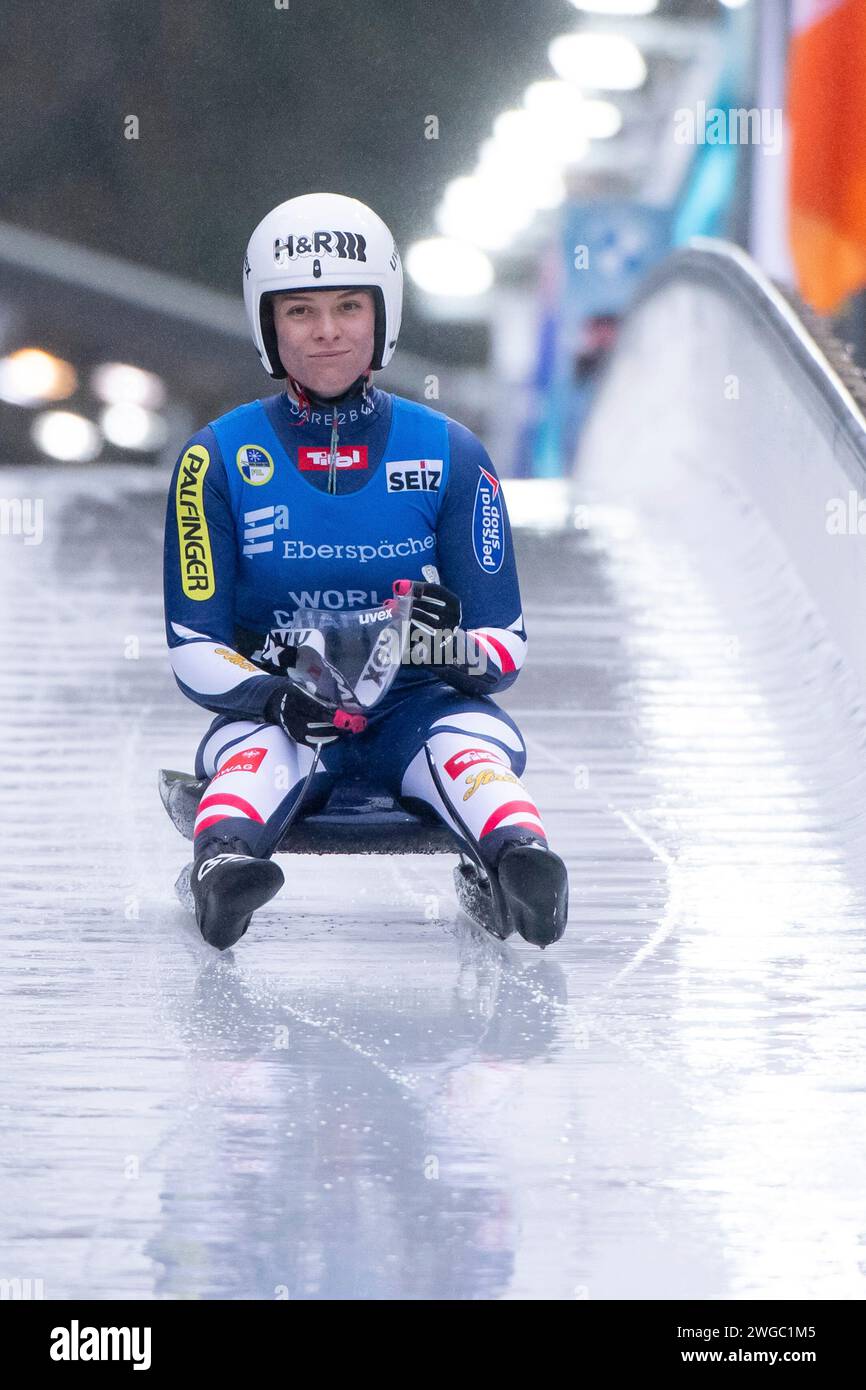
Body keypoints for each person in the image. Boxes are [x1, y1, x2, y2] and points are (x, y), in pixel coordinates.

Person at [163, 192, 568, 950]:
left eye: (348, 306)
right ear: (266, 322)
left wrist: (441, 650)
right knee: (255, 752)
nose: (325, 333)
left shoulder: (451, 454)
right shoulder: (214, 460)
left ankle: (523, 859)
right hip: (282, 713)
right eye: (300, 311)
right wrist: (274, 695)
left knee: (467, 747)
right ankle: (225, 869)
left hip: (417, 711)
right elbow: (192, 643)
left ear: (383, 317)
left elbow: (504, 640)